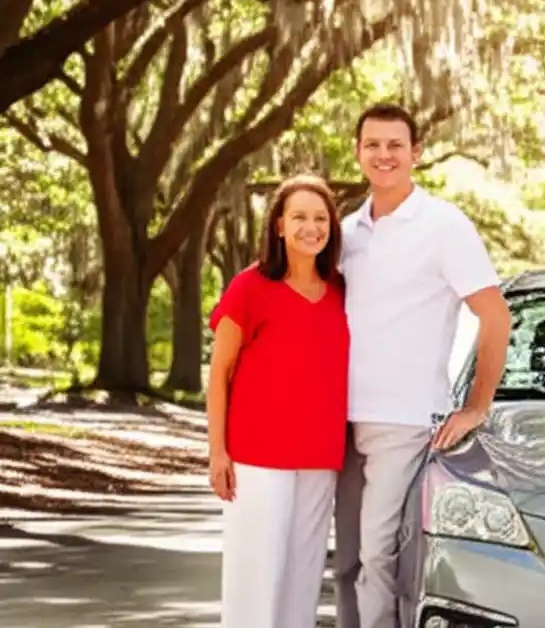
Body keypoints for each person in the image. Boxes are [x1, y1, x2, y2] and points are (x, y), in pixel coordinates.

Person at [334, 102, 513, 628]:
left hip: (404, 420)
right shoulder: (345, 231)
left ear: (415, 153)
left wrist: (476, 406)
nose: (383, 155)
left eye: (395, 145)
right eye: (373, 145)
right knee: (345, 562)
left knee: (377, 555)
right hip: (336, 420)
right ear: (358, 152)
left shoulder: (444, 225)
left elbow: (495, 317)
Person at [206, 174, 350, 628]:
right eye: (300, 217)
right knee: (257, 577)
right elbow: (220, 373)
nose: (312, 227)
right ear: (280, 226)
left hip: (320, 456)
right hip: (257, 455)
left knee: (303, 579)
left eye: (320, 217)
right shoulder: (250, 288)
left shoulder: (342, 290)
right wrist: (217, 452)